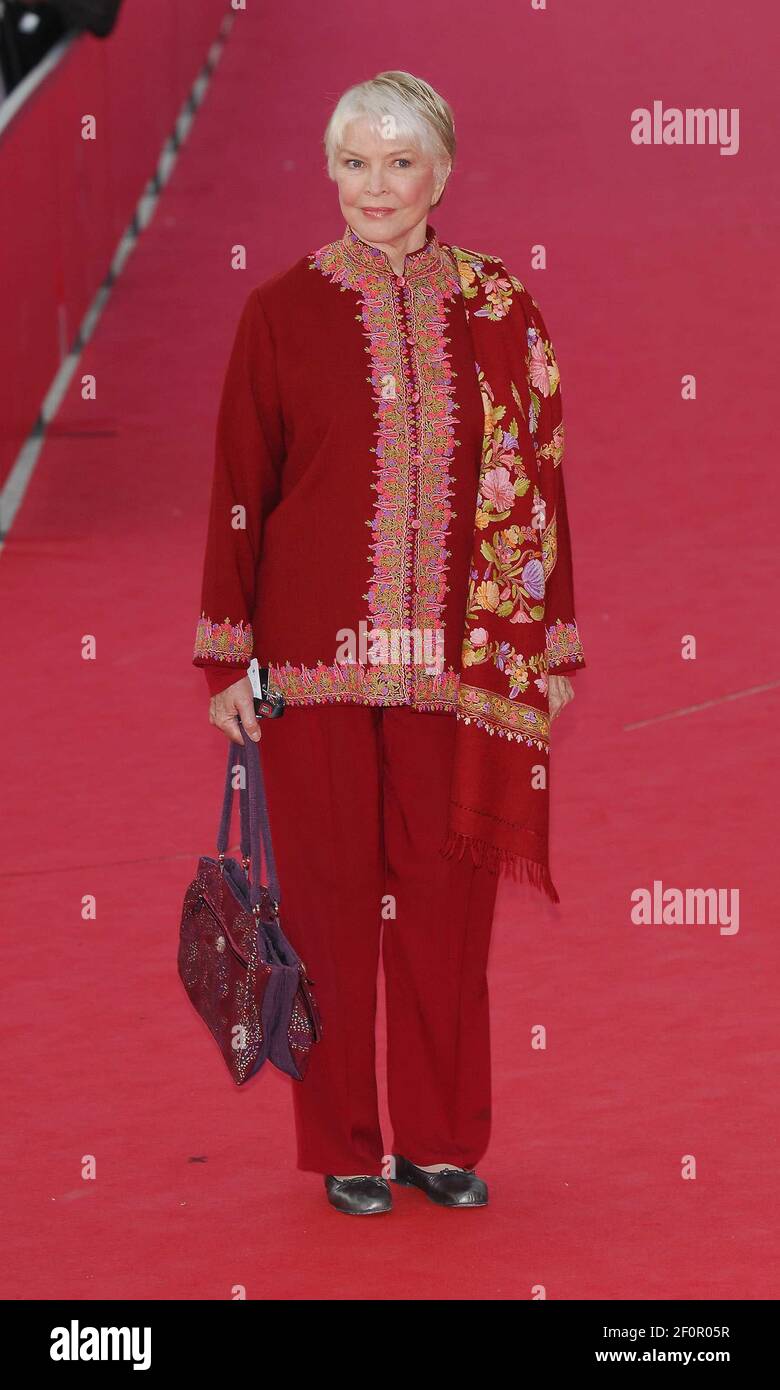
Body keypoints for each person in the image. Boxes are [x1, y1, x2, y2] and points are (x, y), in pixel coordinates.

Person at [193, 71, 585, 1215]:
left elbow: (542, 492)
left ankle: (439, 1137)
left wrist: (545, 652)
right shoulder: (280, 310)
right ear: (330, 172)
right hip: (311, 664)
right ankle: (344, 1147)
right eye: (356, 162)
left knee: (444, 909)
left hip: (459, 665)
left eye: (401, 162)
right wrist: (227, 657)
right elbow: (237, 492)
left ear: (443, 173)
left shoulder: (504, 308)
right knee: (324, 901)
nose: (377, 185)